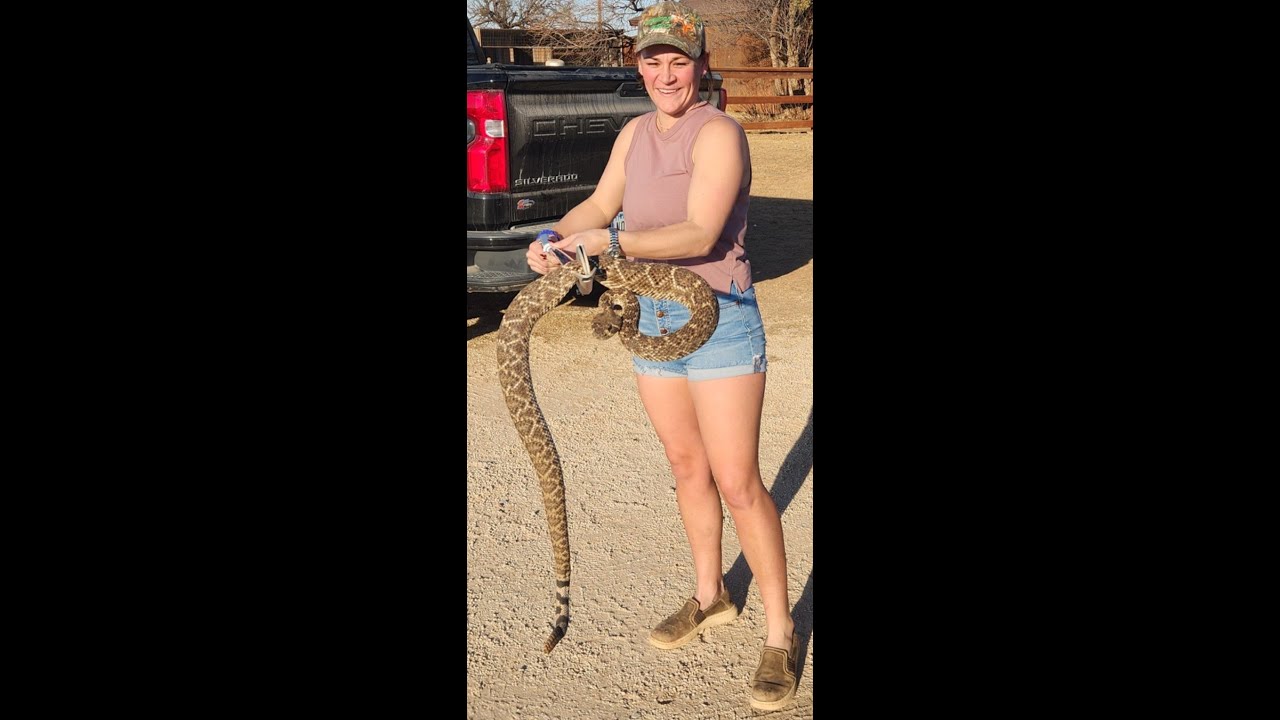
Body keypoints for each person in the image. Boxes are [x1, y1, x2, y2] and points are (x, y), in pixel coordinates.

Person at [524, 1, 798, 710]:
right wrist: (555, 235)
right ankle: (710, 597)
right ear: (639, 66)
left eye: (679, 60)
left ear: (700, 66)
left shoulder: (720, 133)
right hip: (654, 316)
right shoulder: (634, 135)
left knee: (739, 481)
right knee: (685, 467)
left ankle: (780, 633)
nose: (667, 73)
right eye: (653, 60)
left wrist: (605, 247)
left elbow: (701, 232)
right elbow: (597, 205)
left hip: (721, 318)